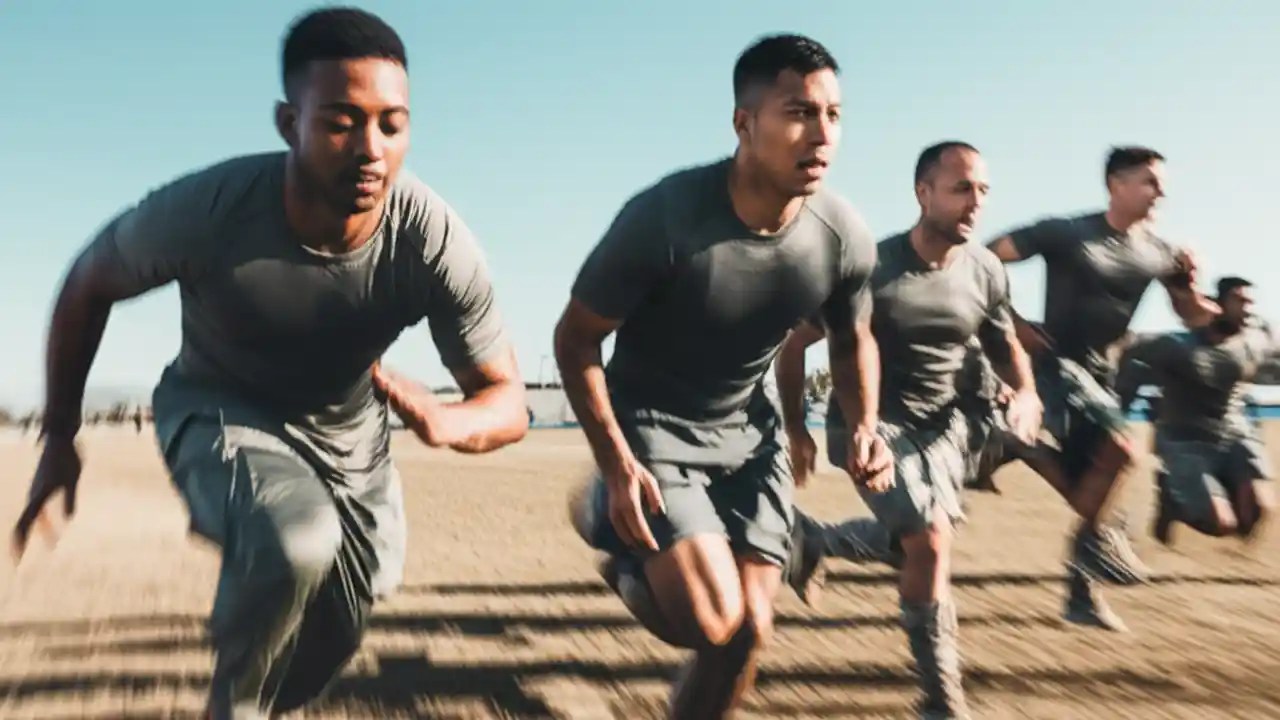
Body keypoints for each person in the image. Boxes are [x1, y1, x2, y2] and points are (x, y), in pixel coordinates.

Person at [10, 8, 528, 719]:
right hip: (218, 410)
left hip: (352, 448)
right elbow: (88, 282)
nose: (371, 149)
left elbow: (506, 400)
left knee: (330, 635)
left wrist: (450, 419)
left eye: (392, 123)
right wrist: (60, 435)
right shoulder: (212, 210)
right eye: (341, 122)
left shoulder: (431, 240)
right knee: (294, 542)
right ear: (290, 123)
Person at [557, 34, 887, 720]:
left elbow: (855, 341)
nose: (822, 133)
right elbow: (576, 340)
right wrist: (616, 465)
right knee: (711, 622)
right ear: (744, 123)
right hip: (651, 431)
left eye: (834, 114)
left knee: (746, 637)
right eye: (799, 112)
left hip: (748, 435)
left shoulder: (840, 234)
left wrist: (863, 429)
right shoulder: (666, 217)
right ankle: (608, 521)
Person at [778, 141, 1041, 718]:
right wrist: (796, 427)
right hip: (867, 427)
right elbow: (793, 346)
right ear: (923, 194)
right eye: (960, 189)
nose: (974, 204)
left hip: (944, 430)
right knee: (929, 541)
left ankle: (815, 540)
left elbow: (1005, 346)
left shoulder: (986, 270)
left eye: (982, 191)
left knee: (918, 545)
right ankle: (941, 697)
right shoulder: (871, 267)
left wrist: (1026, 392)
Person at [984, 146, 1219, 610]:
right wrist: (1011, 321)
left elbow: (1193, 317)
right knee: (1123, 448)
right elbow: (983, 261)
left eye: (1162, 183)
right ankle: (1087, 558)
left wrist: (1194, 288)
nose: (1161, 192)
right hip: (1054, 366)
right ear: (1116, 184)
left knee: (1084, 487)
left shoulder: (1162, 252)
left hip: (1102, 376)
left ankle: (1019, 450)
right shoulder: (1065, 233)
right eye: (1150, 181)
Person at [1115, 276, 1277, 544]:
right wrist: (1122, 406)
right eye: (1239, 301)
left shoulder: (1258, 338)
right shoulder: (1176, 346)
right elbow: (1129, 355)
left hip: (1235, 435)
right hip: (1185, 440)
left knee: (1258, 513)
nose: (1247, 309)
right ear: (1217, 305)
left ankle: (1218, 490)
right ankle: (1172, 501)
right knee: (1222, 524)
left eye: (1250, 302)